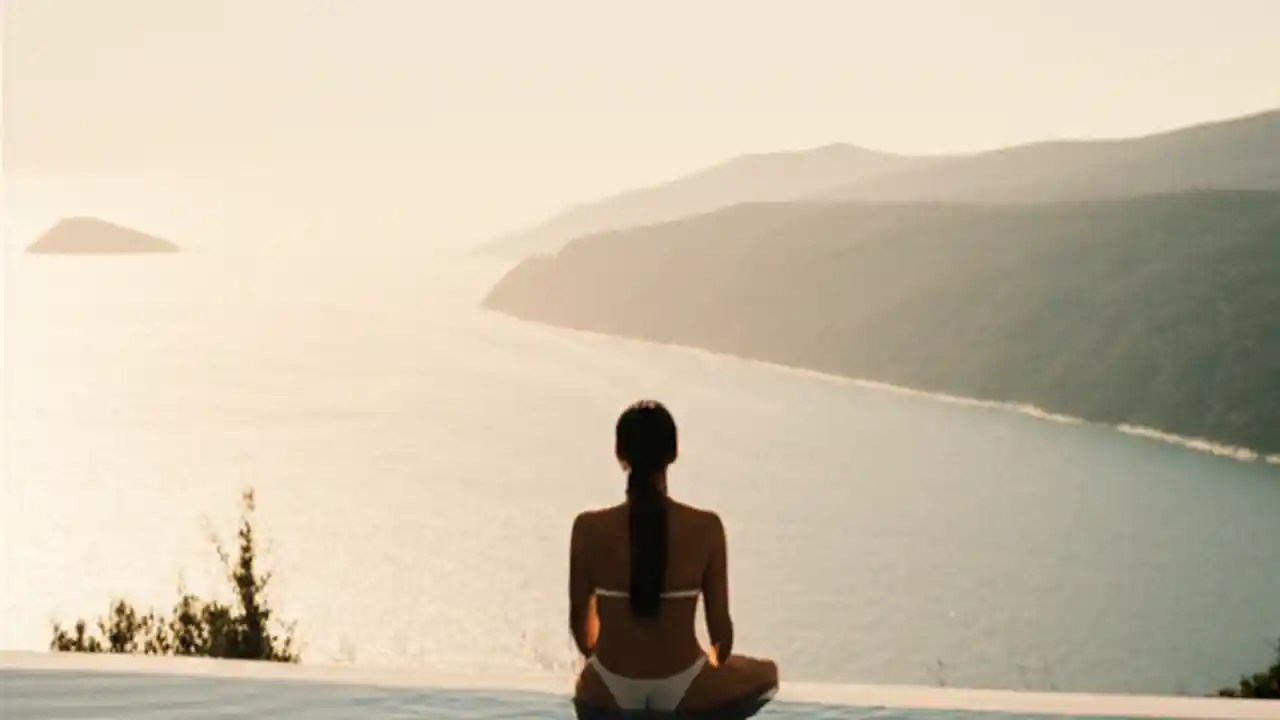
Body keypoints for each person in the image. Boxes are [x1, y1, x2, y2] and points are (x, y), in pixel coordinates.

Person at [569, 400, 778, 717]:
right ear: (673, 453)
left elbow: (584, 638)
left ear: (619, 454)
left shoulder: (587, 529)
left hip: (607, 691)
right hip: (686, 688)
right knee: (767, 673)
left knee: (588, 679)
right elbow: (721, 639)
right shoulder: (706, 528)